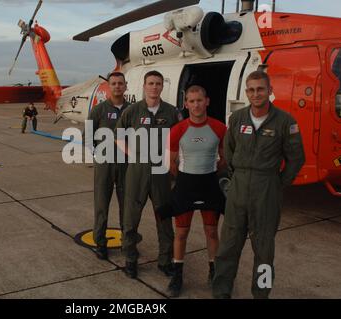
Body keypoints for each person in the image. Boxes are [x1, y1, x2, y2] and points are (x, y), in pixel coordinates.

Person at [212, 71, 305, 299]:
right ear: (246, 93)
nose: (256, 94)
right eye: (251, 90)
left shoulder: (285, 121)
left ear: (270, 91)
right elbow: (229, 150)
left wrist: (278, 183)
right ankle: (221, 291)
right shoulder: (237, 119)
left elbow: (296, 158)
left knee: (264, 250)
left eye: (261, 89)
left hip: (267, 189)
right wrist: (237, 177)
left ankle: (261, 294)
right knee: (228, 246)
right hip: (239, 188)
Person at [162, 85, 226, 297]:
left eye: (199, 100)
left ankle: (214, 272)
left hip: (209, 183)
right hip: (185, 184)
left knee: (211, 231)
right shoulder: (178, 129)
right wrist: (184, 179)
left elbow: (224, 159)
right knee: (181, 232)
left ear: (207, 101)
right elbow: (170, 162)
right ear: (186, 103)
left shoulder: (219, 128)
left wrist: (210, 172)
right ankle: (177, 275)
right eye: (191, 101)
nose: (196, 105)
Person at [115, 70, 180, 279]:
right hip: (138, 170)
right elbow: (118, 136)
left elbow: (180, 138)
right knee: (131, 217)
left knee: (164, 217)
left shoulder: (172, 112)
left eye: (158, 83)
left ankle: (164, 260)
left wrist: (173, 160)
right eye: (150, 83)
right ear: (144, 86)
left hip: (161, 171)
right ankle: (131, 259)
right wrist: (133, 154)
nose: (154, 87)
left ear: (162, 87)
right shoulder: (132, 111)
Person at [87, 72, 130, 260]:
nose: (117, 86)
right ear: (109, 86)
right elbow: (88, 135)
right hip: (105, 165)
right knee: (101, 204)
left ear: (125, 86)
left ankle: (128, 243)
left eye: (120, 83)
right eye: (114, 83)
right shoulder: (99, 110)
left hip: (127, 166)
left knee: (127, 207)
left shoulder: (133, 109)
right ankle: (100, 243)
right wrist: (98, 155)